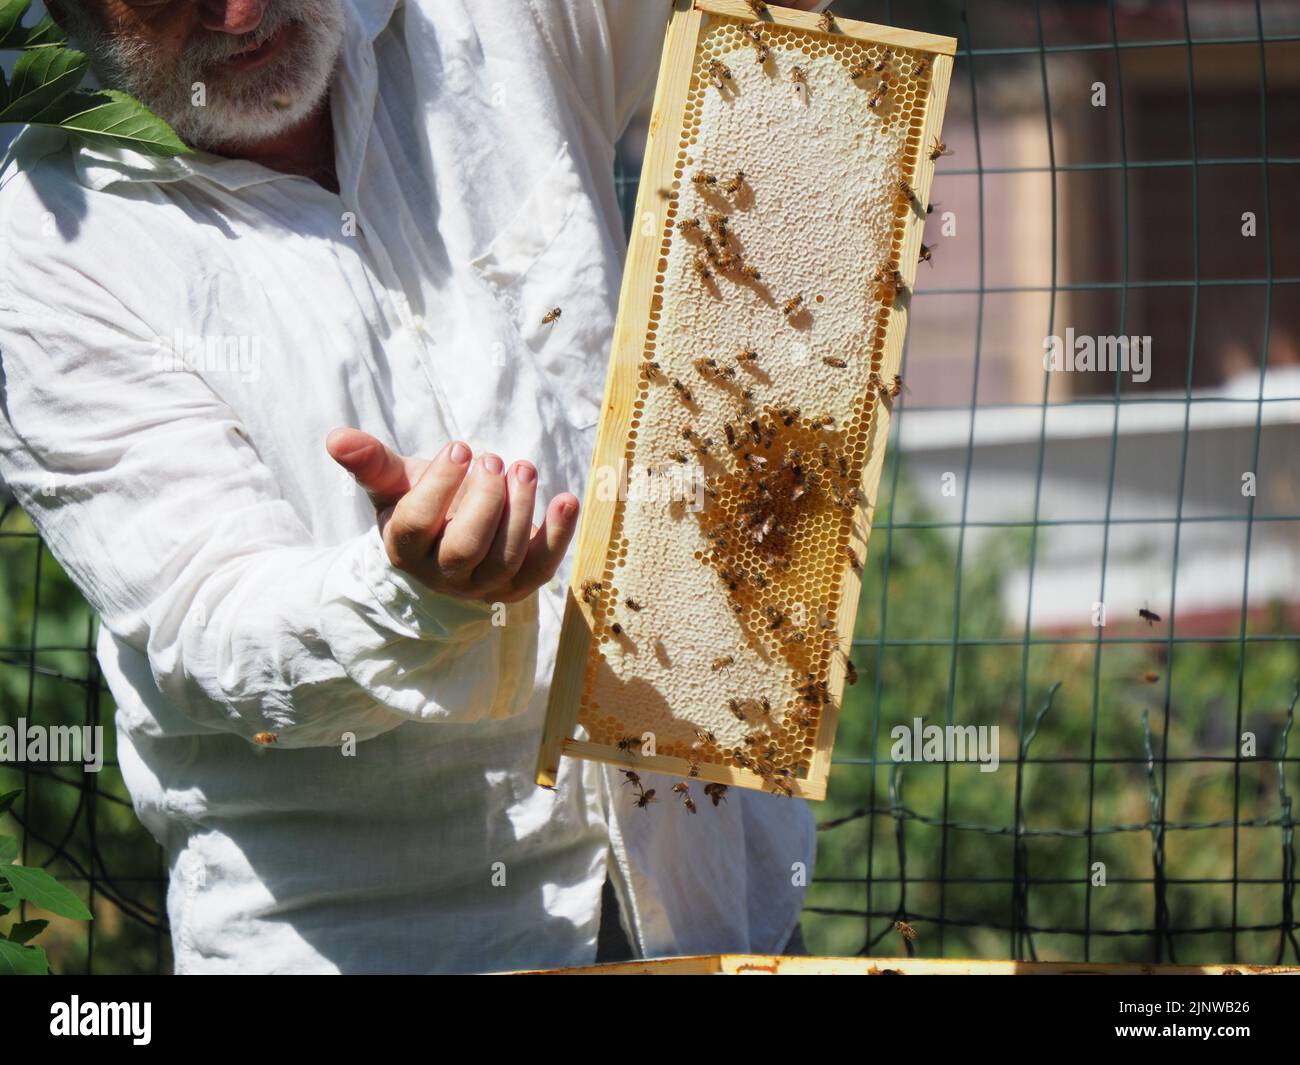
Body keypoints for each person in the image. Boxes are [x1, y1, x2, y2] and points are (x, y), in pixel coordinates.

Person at [0, 0, 820, 973]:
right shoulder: (45, 247)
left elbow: (776, 55)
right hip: (390, 940)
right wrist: (410, 594)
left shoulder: (478, 19)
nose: (243, 12)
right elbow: (207, 619)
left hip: (715, 894)